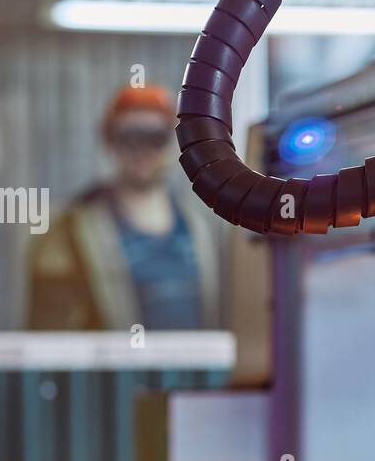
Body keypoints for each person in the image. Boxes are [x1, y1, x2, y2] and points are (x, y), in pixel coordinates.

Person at [28, 85, 230, 331]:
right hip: (116, 369)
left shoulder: (203, 226)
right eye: (129, 137)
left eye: (154, 138)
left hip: (198, 367)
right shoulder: (70, 234)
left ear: (171, 143)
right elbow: (51, 333)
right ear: (110, 142)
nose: (142, 151)